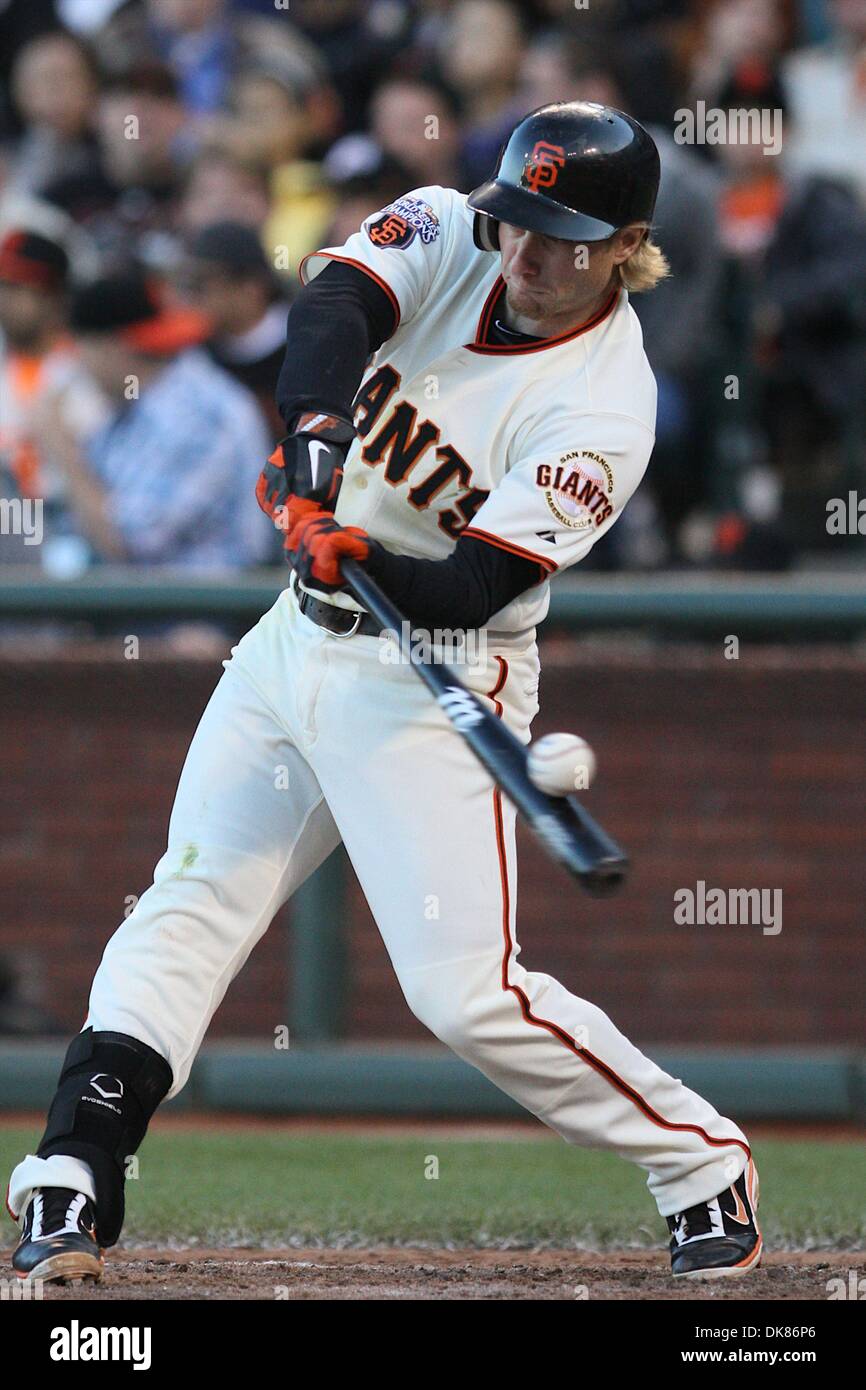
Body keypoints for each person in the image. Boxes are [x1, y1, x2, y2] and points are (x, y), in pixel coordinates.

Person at [7, 103, 761, 1286]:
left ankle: (698, 1160)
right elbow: (334, 303)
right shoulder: (462, 226)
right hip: (290, 647)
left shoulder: (606, 406)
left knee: (463, 992)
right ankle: (75, 1171)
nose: (526, 254)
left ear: (627, 245)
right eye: (521, 221)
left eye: (567, 237)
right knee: (188, 902)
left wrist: (345, 539)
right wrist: (313, 448)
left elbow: (470, 580)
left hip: (437, 674)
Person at [38, 266, 274, 569]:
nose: (79, 365)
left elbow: (125, 542)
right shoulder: (141, 399)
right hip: (154, 604)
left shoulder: (197, 411)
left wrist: (59, 446)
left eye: (80, 350)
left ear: (111, 347)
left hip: (208, 608)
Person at [181, 220, 291, 440]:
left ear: (252, 286)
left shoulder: (309, 339)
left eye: (201, 282)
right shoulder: (198, 356)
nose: (191, 295)